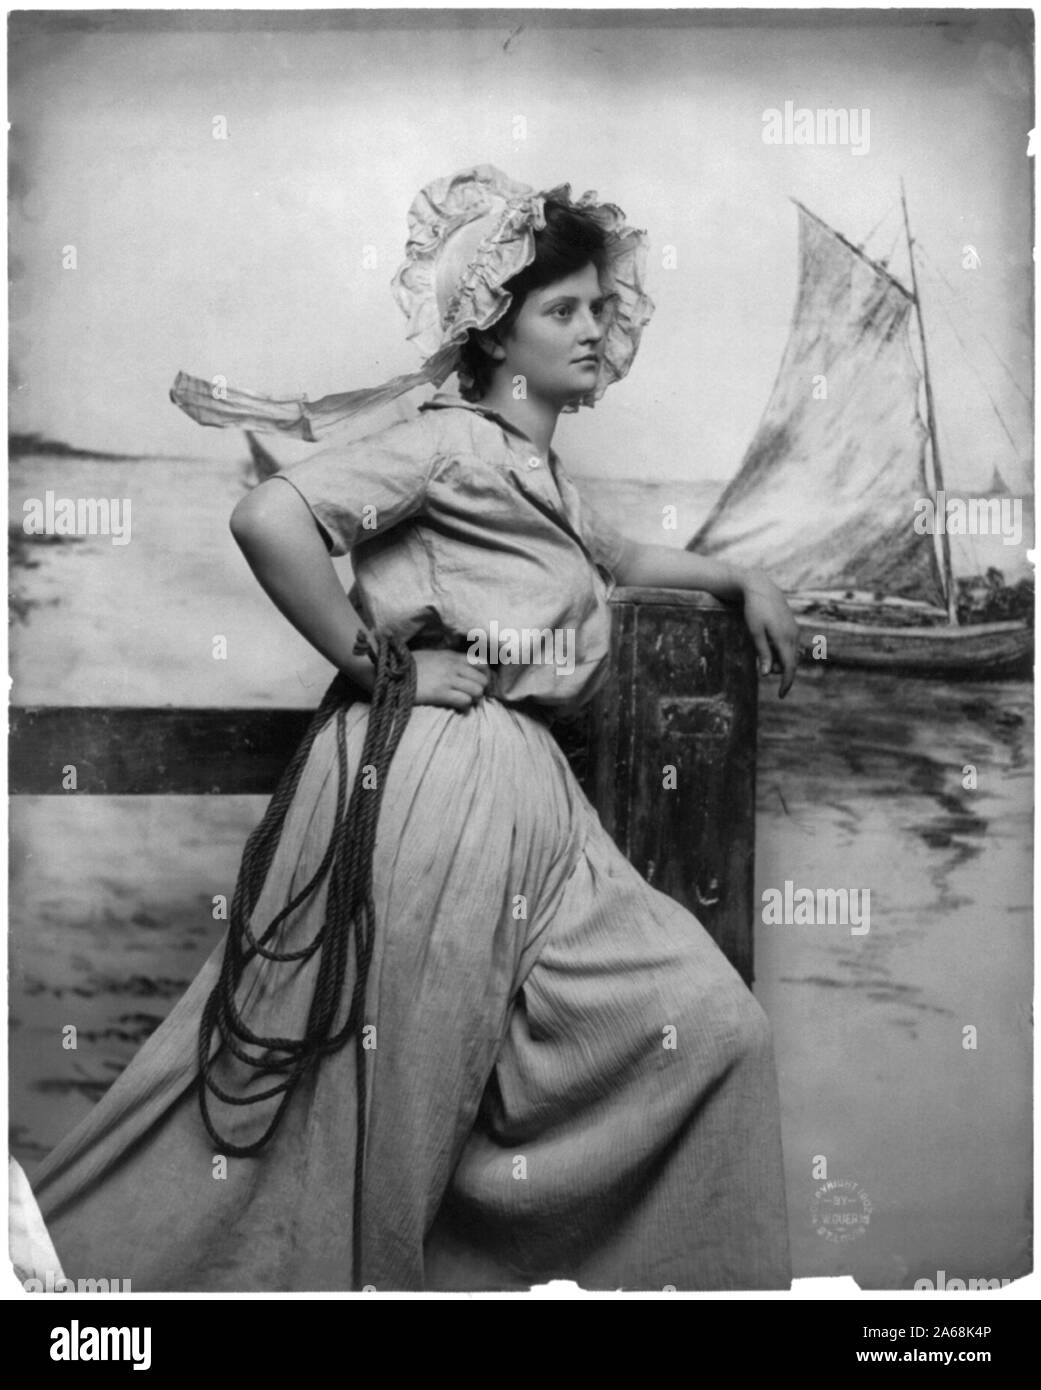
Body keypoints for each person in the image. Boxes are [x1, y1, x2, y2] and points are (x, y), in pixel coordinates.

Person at [25, 165, 798, 1292]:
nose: (592, 330)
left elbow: (619, 561)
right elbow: (269, 513)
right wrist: (376, 660)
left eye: (596, 307)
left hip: (532, 804)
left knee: (706, 1025)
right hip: (433, 781)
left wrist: (740, 575)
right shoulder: (444, 440)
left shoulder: (527, 457)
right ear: (496, 329)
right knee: (384, 1093)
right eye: (561, 311)